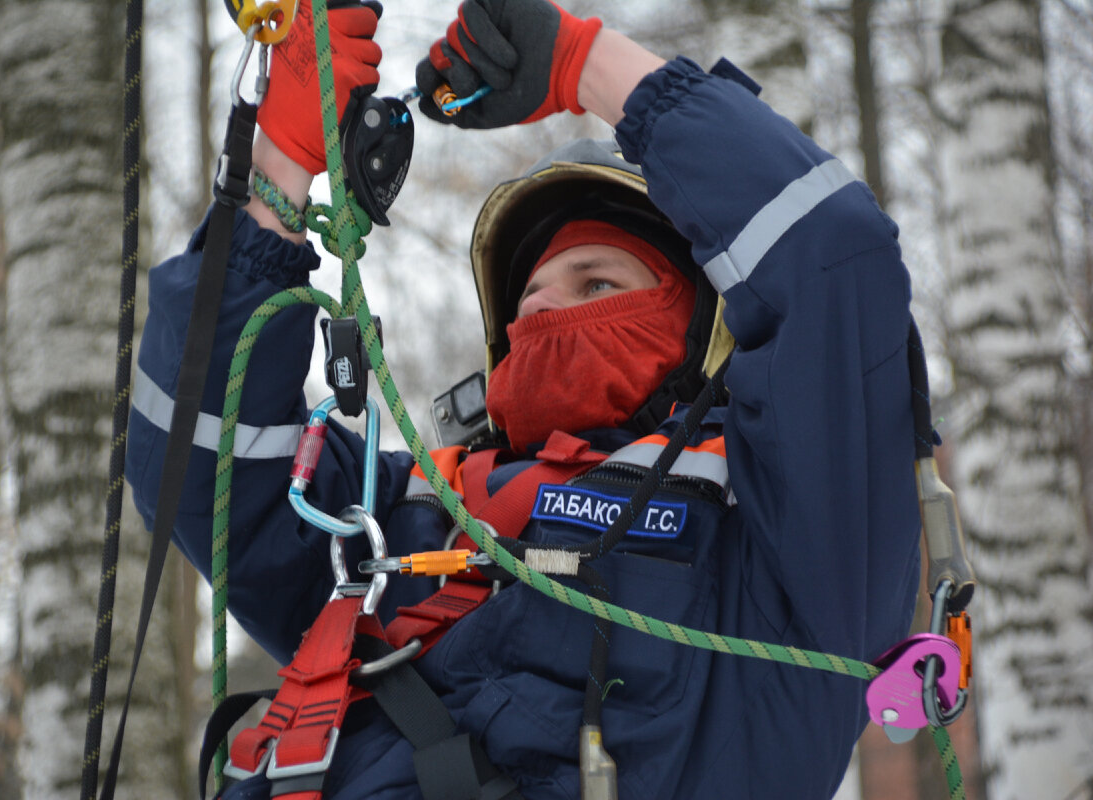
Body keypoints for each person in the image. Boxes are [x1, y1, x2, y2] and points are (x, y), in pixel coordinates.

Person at [126, 0, 922, 797]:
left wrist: (585, 64)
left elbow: (830, 257)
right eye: (529, 296)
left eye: (596, 284)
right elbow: (195, 465)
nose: (541, 310)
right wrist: (277, 175)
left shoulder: (785, 533)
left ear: (701, 336)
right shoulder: (402, 511)